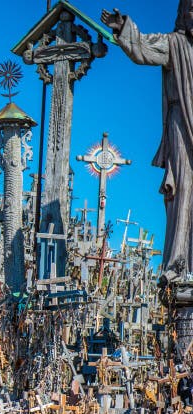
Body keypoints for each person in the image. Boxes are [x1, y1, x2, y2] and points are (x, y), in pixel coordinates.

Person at [102, 3, 193, 282]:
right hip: (182, 123)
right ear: (183, 15)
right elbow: (143, 48)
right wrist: (124, 28)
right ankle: (180, 263)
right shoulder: (175, 45)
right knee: (185, 188)